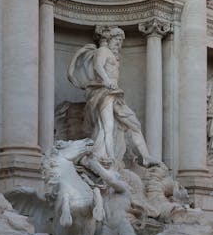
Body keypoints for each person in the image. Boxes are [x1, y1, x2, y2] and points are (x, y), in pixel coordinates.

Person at [68, 27, 158, 170]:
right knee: (107, 126)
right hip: (104, 92)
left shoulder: (113, 55)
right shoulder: (102, 51)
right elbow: (98, 66)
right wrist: (106, 80)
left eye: (121, 41)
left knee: (134, 124)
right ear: (109, 39)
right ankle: (110, 158)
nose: (119, 44)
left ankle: (146, 156)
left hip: (114, 93)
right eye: (117, 40)